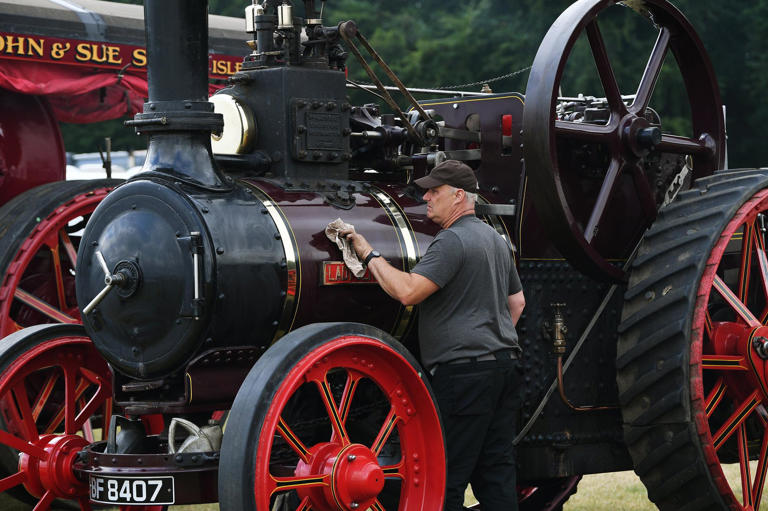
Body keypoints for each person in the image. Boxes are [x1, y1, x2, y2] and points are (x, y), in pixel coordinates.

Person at [341, 159, 525, 511]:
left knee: (445, 477)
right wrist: (489, 339)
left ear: (458, 196)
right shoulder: (496, 239)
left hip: (463, 377)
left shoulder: (451, 241)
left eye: (434, 192)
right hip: (504, 369)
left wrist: (368, 253)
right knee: (496, 476)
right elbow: (517, 302)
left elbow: (408, 292)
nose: (426, 198)